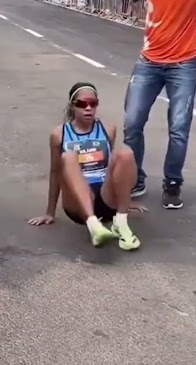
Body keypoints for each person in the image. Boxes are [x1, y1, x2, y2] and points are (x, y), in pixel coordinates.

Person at [63, 0, 196, 210]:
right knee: (133, 123)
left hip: (183, 64)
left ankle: (172, 183)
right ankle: (137, 177)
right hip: (149, 61)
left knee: (179, 128)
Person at [28, 83, 140, 251]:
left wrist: (127, 200)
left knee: (125, 153)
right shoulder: (59, 134)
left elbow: (114, 167)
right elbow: (55, 173)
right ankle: (93, 224)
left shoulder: (108, 128)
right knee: (68, 157)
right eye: (82, 104)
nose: (88, 108)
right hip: (78, 203)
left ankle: (121, 222)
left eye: (92, 103)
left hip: (107, 197)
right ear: (72, 106)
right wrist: (50, 212)